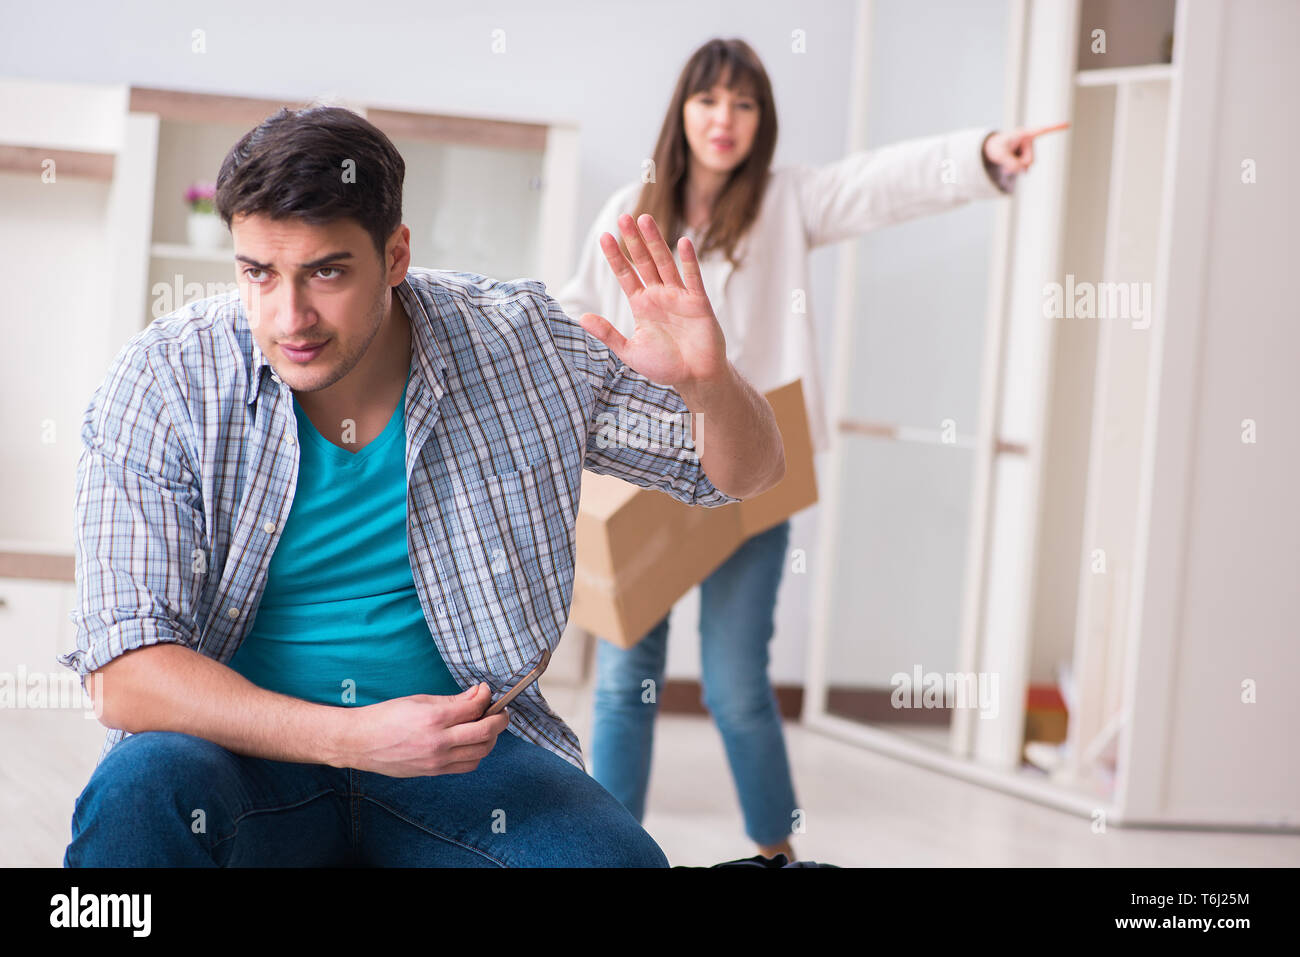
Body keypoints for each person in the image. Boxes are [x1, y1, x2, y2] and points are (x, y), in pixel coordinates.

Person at [57, 104, 784, 867]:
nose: (289, 316)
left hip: (463, 763)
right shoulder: (165, 380)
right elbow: (125, 676)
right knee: (140, 795)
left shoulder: (520, 346)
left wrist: (710, 385)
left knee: (612, 860)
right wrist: (355, 736)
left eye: (327, 271)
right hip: (240, 759)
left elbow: (741, 474)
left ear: (396, 254)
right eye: (258, 273)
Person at [557, 37, 1038, 861]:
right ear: (684, 111)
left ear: (761, 121)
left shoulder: (788, 201)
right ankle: (615, 850)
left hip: (754, 476)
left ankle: (779, 851)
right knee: (623, 684)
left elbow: (882, 184)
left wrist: (980, 154)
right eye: (710, 101)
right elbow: (579, 306)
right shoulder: (629, 209)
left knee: (739, 684)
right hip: (654, 471)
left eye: (744, 105)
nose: (724, 119)